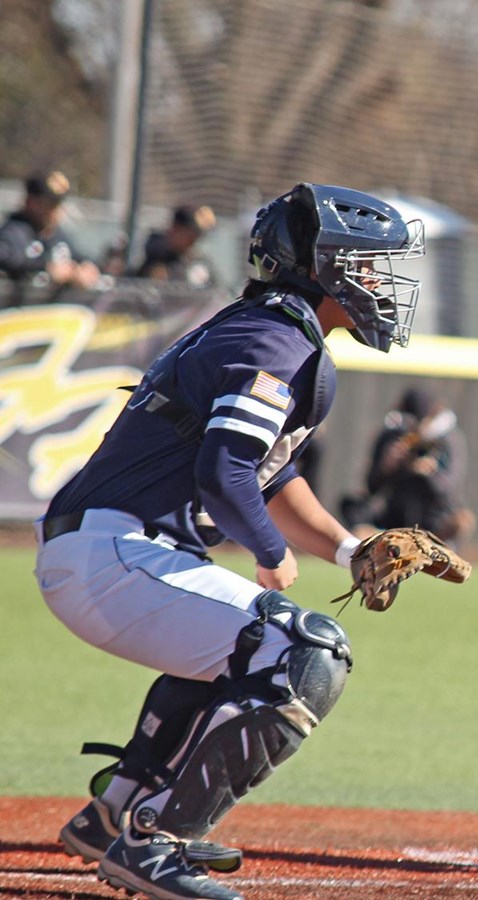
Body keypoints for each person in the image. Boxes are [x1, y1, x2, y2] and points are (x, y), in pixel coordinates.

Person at [35, 182, 425, 900]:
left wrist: (346, 550)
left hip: (106, 550)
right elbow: (225, 469)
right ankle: (156, 843)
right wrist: (270, 554)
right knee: (307, 653)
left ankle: (115, 812)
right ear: (325, 265)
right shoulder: (275, 337)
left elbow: (269, 476)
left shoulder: (272, 328)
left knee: (235, 648)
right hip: (116, 552)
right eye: (368, 265)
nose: (380, 282)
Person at [345, 387, 474, 542]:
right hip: (394, 518)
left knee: (463, 520)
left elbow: (449, 488)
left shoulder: (448, 440)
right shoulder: (392, 436)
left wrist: (427, 473)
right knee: (352, 509)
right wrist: (388, 466)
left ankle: (435, 546)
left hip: (434, 520)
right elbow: (371, 488)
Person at [0, 170, 101, 303]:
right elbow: (10, 260)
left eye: (58, 205)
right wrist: (46, 268)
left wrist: (86, 268)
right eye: (49, 205)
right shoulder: (15, 232)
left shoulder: (57, 235)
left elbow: (81, 257)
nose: (55, 211)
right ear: (31, 202)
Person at [136, 204, 218, 287]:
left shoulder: (198, 262)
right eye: (189, 235)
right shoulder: (156, 257)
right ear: (175, 228)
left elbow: (216, 290)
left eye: (197, 236)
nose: (193, 240)